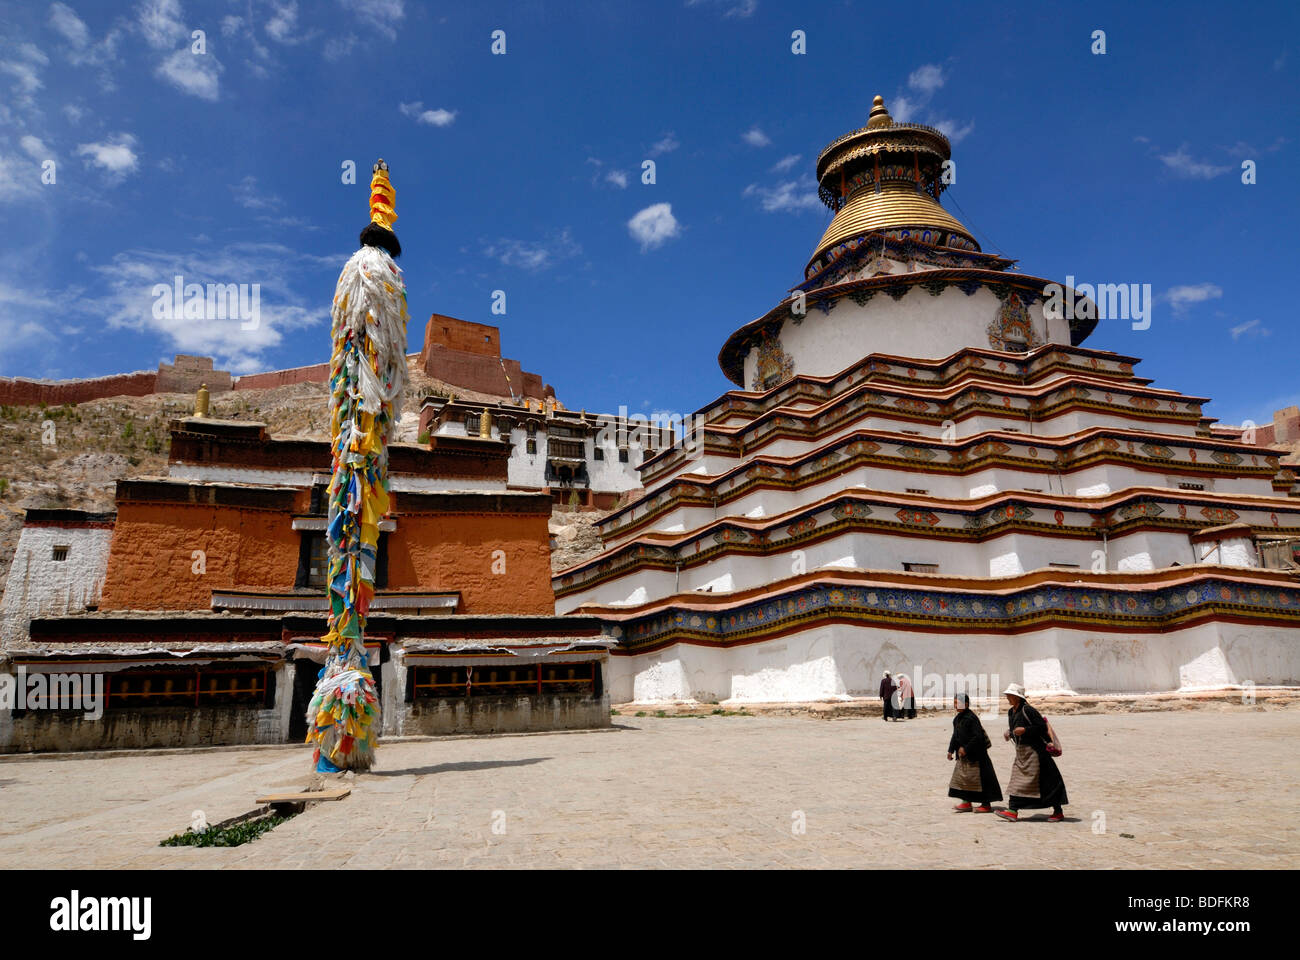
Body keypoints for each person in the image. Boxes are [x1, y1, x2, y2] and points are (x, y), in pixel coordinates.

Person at [996, 682, 1068, 822]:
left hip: (1037, 753)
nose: (1007, 698)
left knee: (1047, 783)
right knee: (1017, 781)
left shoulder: (1028, 710)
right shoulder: (1011, 712)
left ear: (1018, 697)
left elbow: (1041, 727)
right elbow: (1015, 729)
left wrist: (1025, 730)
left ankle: (1058, 811)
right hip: (1022, 753)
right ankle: (1012, 810)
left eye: (1010, 695)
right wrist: (1010, 733)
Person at [947, 692, 1001, 812]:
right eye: (954, 703)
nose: (955, 706)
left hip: (978, 755)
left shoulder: (971, 718)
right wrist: (951, 750)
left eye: (958, 703)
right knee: (964, 779)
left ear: (966, 704)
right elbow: (955, 735)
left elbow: (978, 737)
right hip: (964, 756)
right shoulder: (957, 719)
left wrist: (966, 748)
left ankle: (986, 804)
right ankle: (966, 802)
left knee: (982, 779)